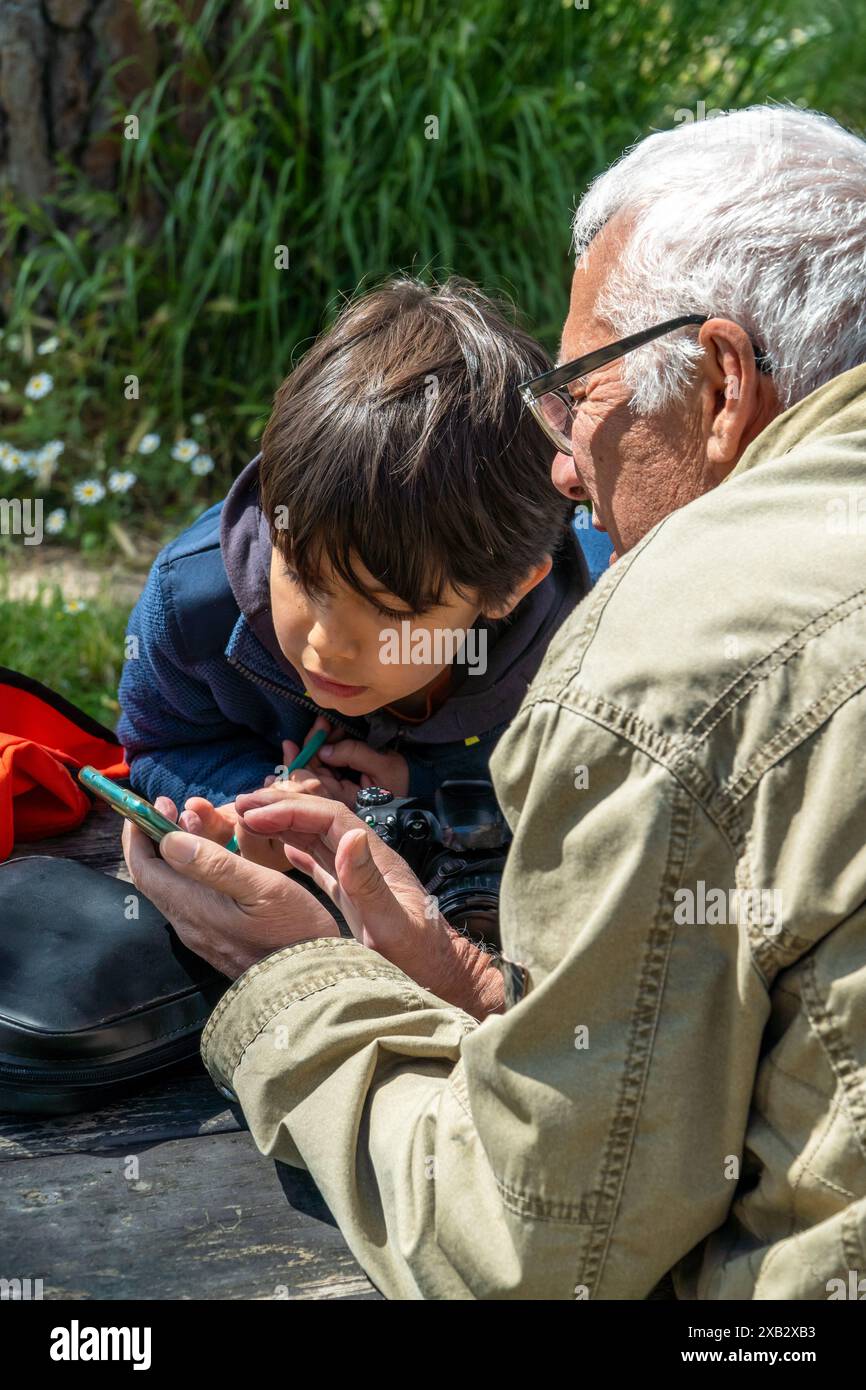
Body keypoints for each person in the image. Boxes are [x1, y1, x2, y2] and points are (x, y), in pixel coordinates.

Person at [125, 104, 866, 1299]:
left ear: (722, 385)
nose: (564, 466)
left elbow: (533, 1253)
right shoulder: (199, 596)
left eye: (579, 394)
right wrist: (475, 983)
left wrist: (297, 979)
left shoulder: (674, 639)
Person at [117, 278, 603, 862]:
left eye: (389, 609)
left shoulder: (581, 651)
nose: (327, 645)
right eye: (302, 577)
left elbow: (586, 794)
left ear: (507, 590)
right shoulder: (191, 606)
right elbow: (163, 742)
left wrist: (424, 786)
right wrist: (246, 800)